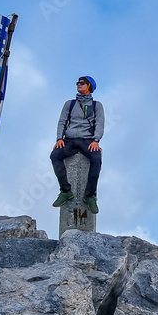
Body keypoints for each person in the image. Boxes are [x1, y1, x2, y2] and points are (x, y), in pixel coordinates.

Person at [51, 76, 104, 213]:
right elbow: (62, 121)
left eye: (82, 83)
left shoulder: (96, 105)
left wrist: (96, 140)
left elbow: (100, 123)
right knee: (55, 155)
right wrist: (59, 139)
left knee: (96, 159)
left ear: (89, 86)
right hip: (69, 140)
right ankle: (65, 191)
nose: (78, 85)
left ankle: (90, 195)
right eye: (77, 83)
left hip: (88, 140)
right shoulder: (70, 104)